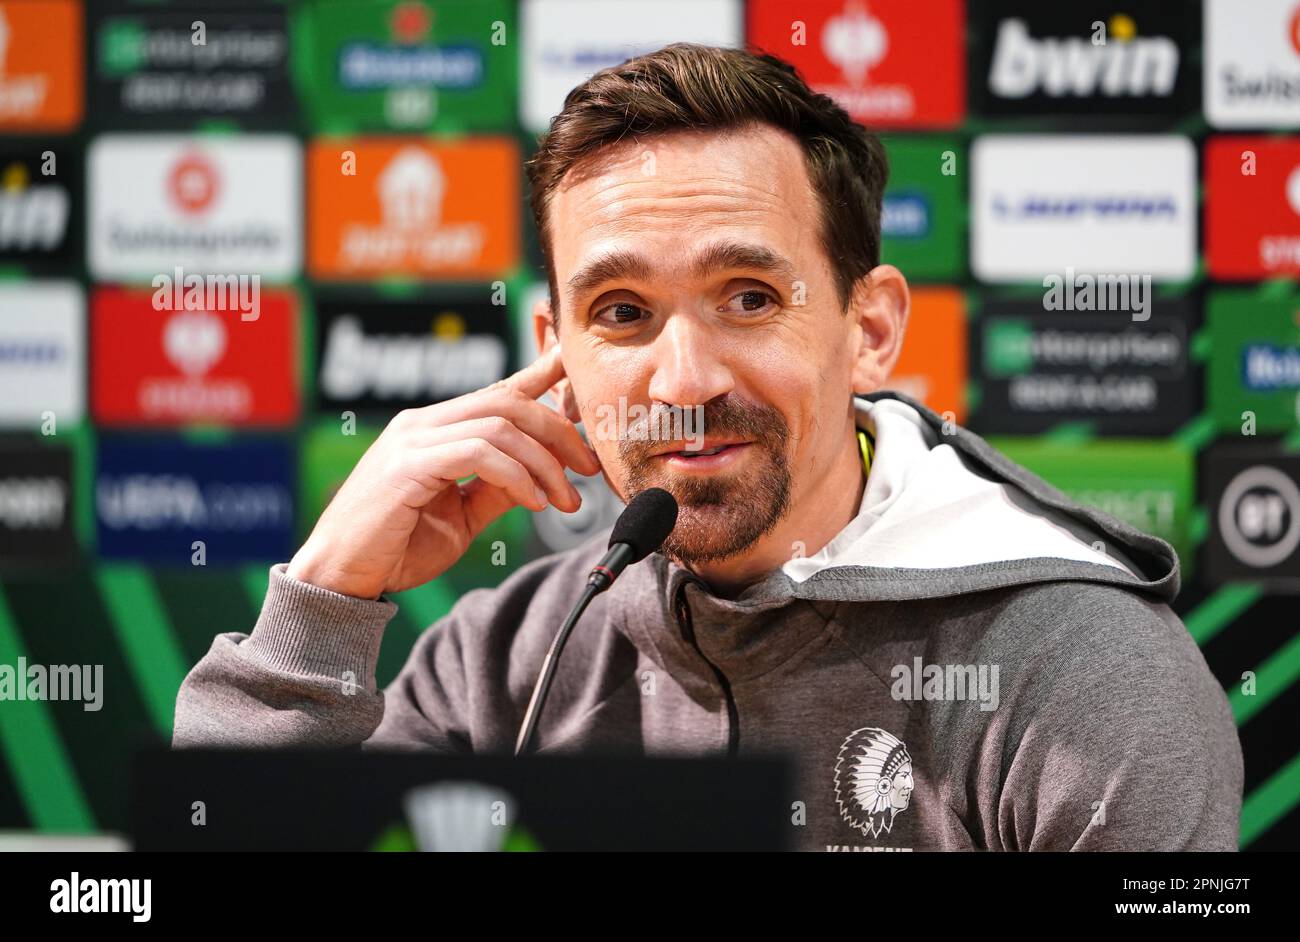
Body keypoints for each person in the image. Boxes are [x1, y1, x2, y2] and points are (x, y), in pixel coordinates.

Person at [173, 43, 1242, 851]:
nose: (684, 381)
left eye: (747, 297)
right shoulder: (507, 663)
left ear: (867, 329)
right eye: (623, 313)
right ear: (557, 354)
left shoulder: (1082, 674)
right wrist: (321, 602)